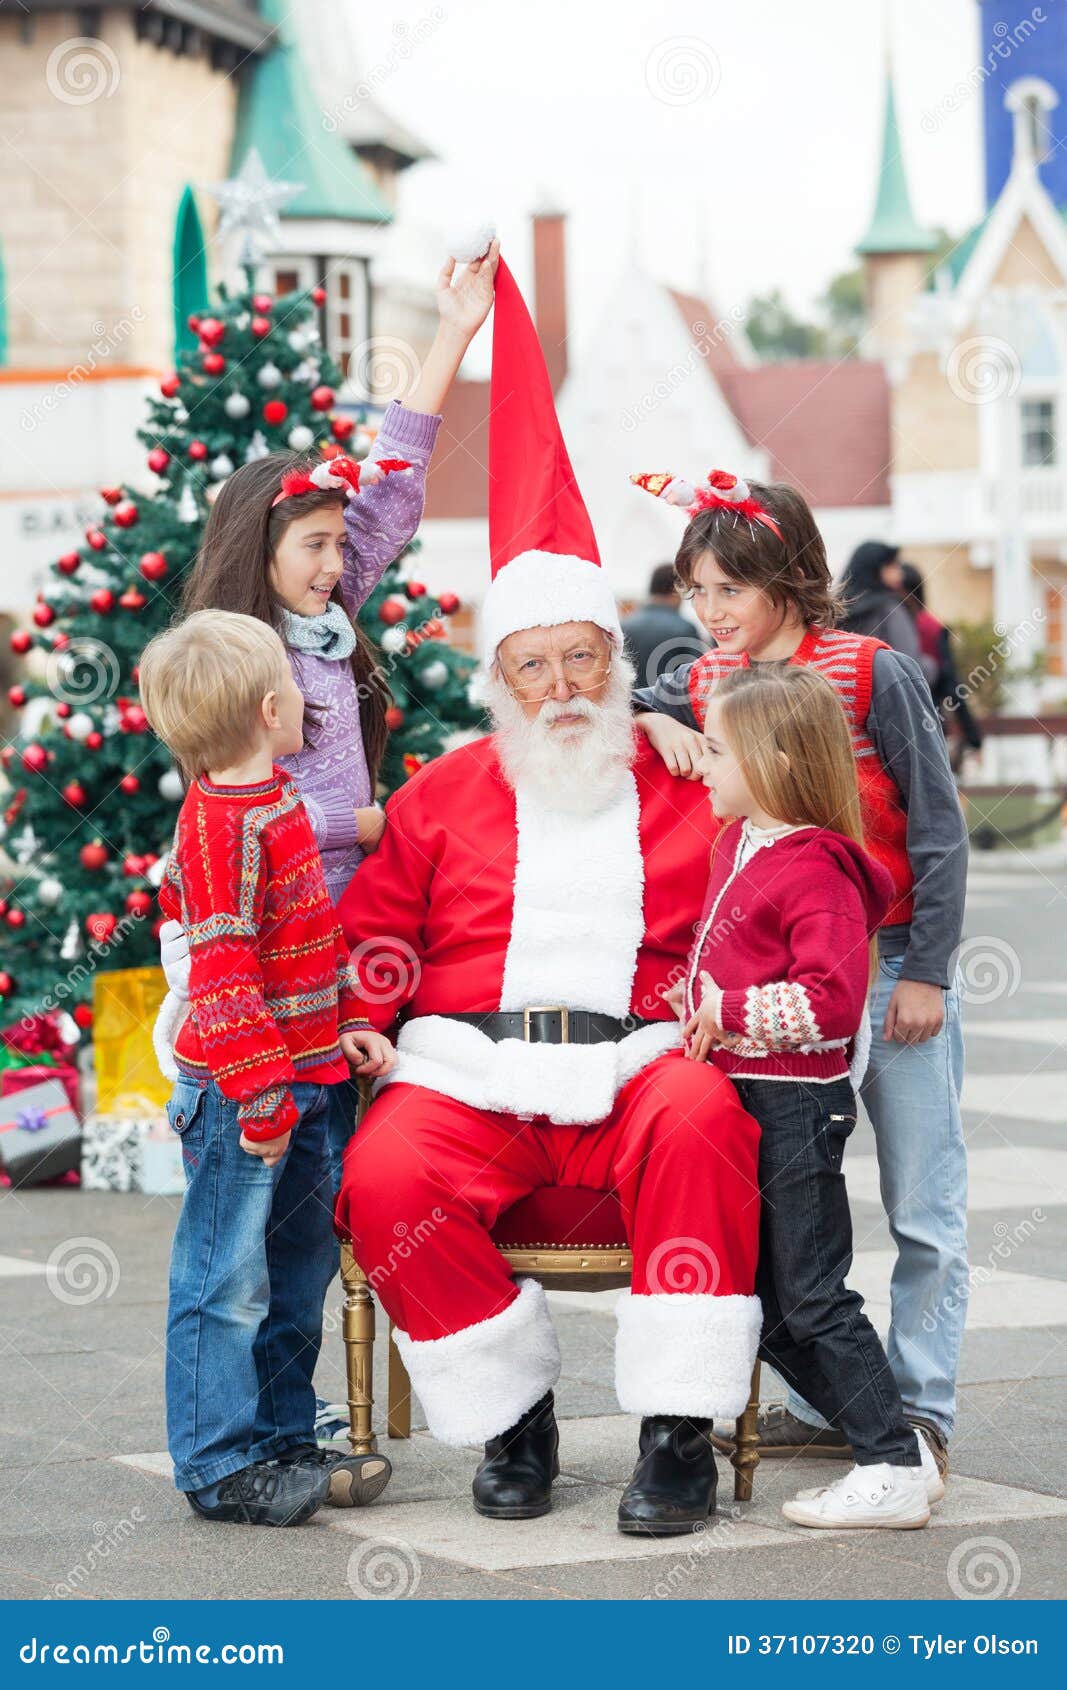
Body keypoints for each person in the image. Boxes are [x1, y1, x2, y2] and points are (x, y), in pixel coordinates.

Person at [334, 248, 763, 1538]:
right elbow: (378, 935)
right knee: (384, 1171)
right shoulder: (442, 792)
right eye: (537, 664)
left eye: (587, 657)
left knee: (700, 1116)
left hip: (636, 1073)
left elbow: (755, 909)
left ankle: (675, 1433)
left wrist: (719, 1005)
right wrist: (367, 1015)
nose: (566, 684)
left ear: (615, 661)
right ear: (501, 679)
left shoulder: (688, 776)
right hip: (473, 1080)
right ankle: (508, 1417)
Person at [629, 467, 969, 1481]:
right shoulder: (700, 678)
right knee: (788, 1200)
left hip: (886, 964)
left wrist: (929, 973)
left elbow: (940, 829)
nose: (710, 611)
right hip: (765, 996)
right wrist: (654, 721)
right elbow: (629, 701)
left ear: (787, 575)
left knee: (922, 1204)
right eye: (696, 591)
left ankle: (919, 1406)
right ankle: (811, 1403)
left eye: (729, 588)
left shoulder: (868, 671)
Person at [174, 242, 497, 1198]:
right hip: (272, 927)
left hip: (353, 926)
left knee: (337, 1187)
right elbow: (222, 809)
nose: (333, 560)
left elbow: (390, 484)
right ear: (258, 546)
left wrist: (452, 330)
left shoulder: (327, 613)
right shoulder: (235, 652)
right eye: (312, 544)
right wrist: (356, 824)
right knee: (264, 1197)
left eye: (334, 544)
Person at [140, 611, 396, 1526]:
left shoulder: (280, 803)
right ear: (268, 708)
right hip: (246, 1096)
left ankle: (284, 1434)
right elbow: (223, 969)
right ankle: (218, 1462)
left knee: (296, 1272)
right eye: (291, 684)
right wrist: (257, 1096)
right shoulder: (220, 826)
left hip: (310, 1079)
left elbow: (312, 939)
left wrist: (349, 1022)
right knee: (224, 1282)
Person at [678, 665, 942, 1528]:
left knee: (812, 1293)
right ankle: (887, 1440)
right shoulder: (738, 840)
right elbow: (716, 958)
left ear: (776, 759)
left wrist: (727, 1010)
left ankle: (892, 1461)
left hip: (795, 1108)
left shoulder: (820, 868)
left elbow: (828, 1004)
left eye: (718, 750)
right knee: (768, 1300)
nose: (704, 766)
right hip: (742, 1100)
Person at [899, 562, 983, 771]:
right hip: (929, 725)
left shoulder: (928, 628)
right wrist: (974, 739)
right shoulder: (931, 627)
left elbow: (950, 683)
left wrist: (973, 737)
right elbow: (952, 685)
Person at [621, 561, 707, 685]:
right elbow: (698, 677)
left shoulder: (625, 625)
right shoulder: (684, 628)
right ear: (676, 590)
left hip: (631, 702)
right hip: (671, 703)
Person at [836, 540, 921, 660]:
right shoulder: (890, 608)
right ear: (876, 570)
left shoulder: (836, 610)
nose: (900, 573)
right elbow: (911, 660)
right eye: (893, 566)